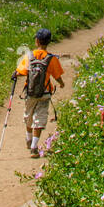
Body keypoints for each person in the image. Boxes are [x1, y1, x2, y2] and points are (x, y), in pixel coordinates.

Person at [14, 28, 65, 158]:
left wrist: (15, 74)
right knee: (40, 118)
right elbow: (57, 75)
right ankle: (34, 147)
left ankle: (28, 139)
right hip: (45, 93)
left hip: (30, 93)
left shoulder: (29, 56)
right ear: (49, 42)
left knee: (29, 116)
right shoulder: (51, 58)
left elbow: (22, 72)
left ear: (37, 41)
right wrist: (61, 83)